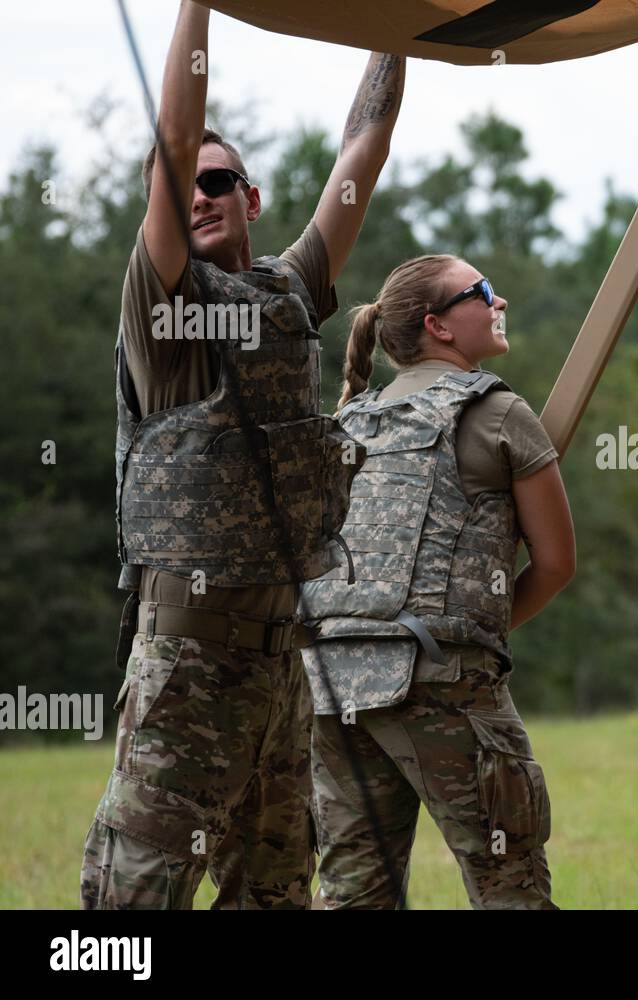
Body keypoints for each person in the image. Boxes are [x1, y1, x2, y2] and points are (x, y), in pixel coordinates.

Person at [81, 1, 404, 909]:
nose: (198, 194)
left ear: (251, 200)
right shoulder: (164, 303)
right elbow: (178, 133)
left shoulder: (289, 288)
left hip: (282, 668)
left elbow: (364, 151)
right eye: (180, 183)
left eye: (219, 182)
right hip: (187, 659)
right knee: (134, 903)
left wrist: (405, 25)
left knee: (274, 894)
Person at [299, 255, 575, 909]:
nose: (498, 298)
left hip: (328, 684)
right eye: (481, 292)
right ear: (438, 326)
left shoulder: (348, 422)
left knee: (354, 892)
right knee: (510, 885)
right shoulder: (500, 410)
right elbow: (557, 563)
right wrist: (471, 632)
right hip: (444, 679)